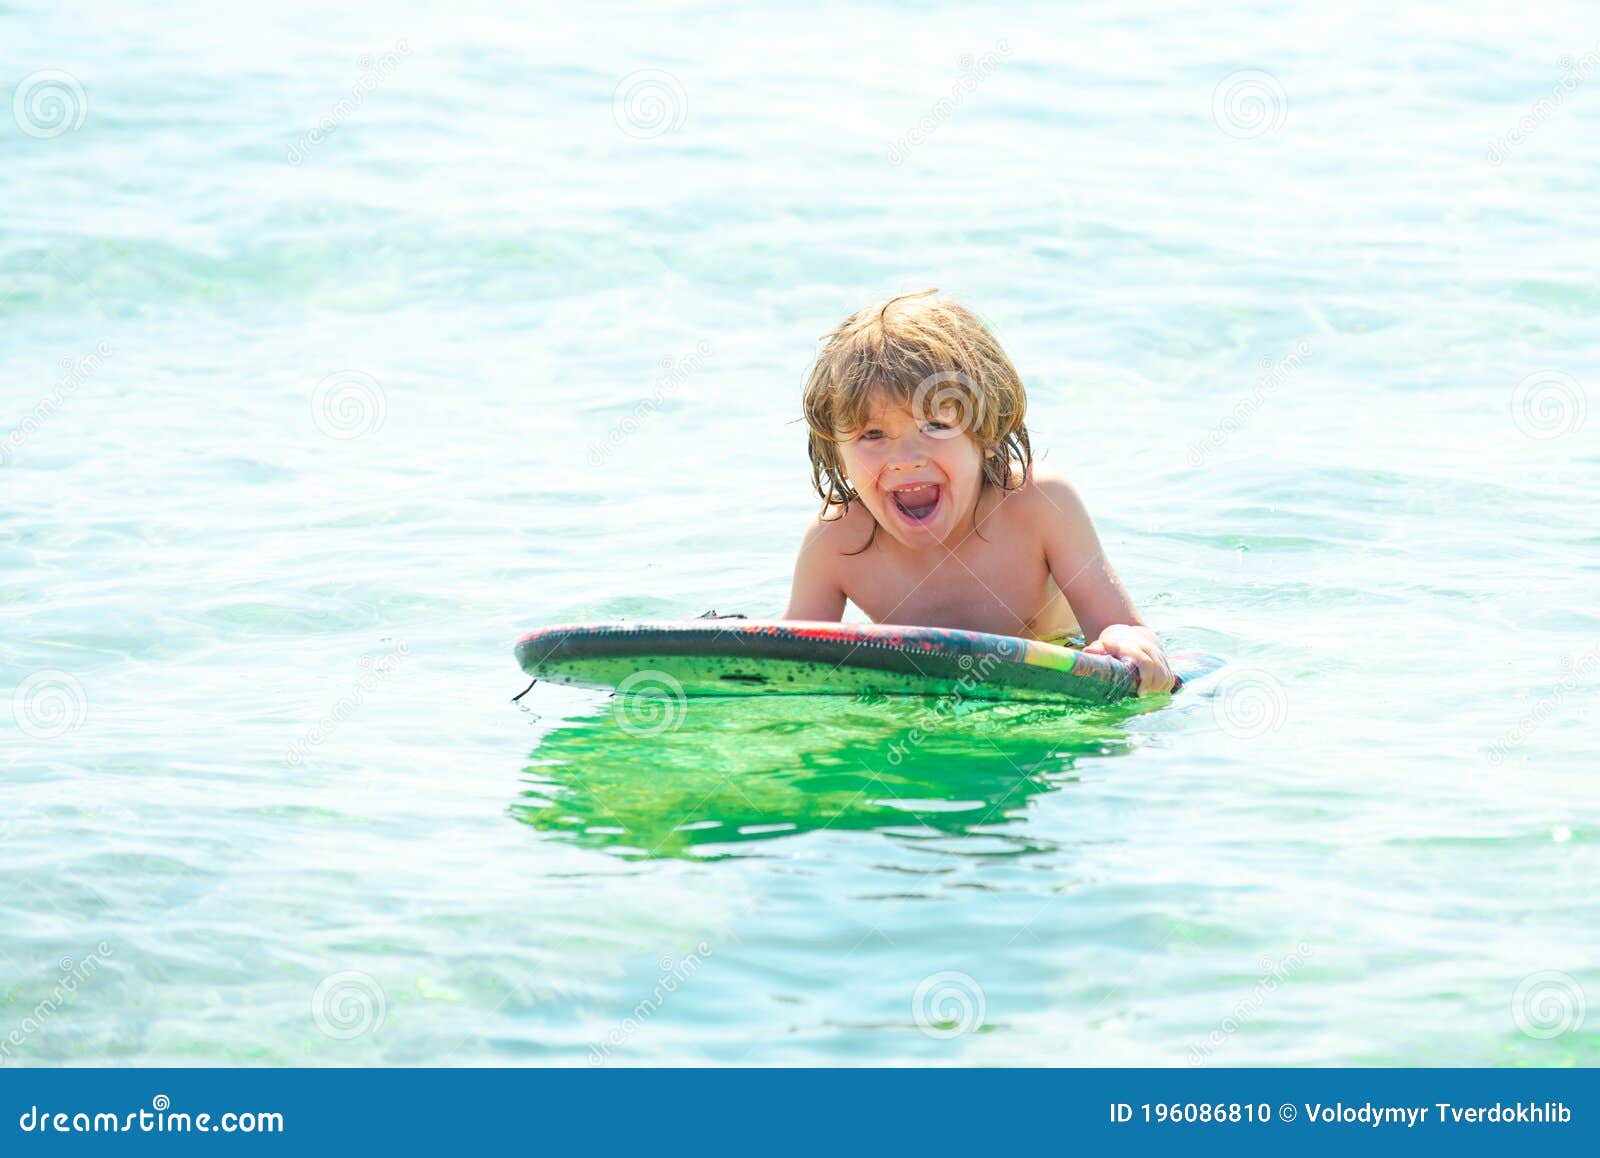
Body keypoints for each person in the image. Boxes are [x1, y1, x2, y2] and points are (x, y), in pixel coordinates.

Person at [783, 289, 1175, 694]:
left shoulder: (1038, 507)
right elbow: (786, 669)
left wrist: (1128, 644)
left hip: (1040, 694)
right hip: (919, 700)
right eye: (872, 434)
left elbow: (1120, 629)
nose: (905, 459)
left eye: (935, 426)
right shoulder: (837, 543)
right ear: (837, 452)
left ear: (987, 432)